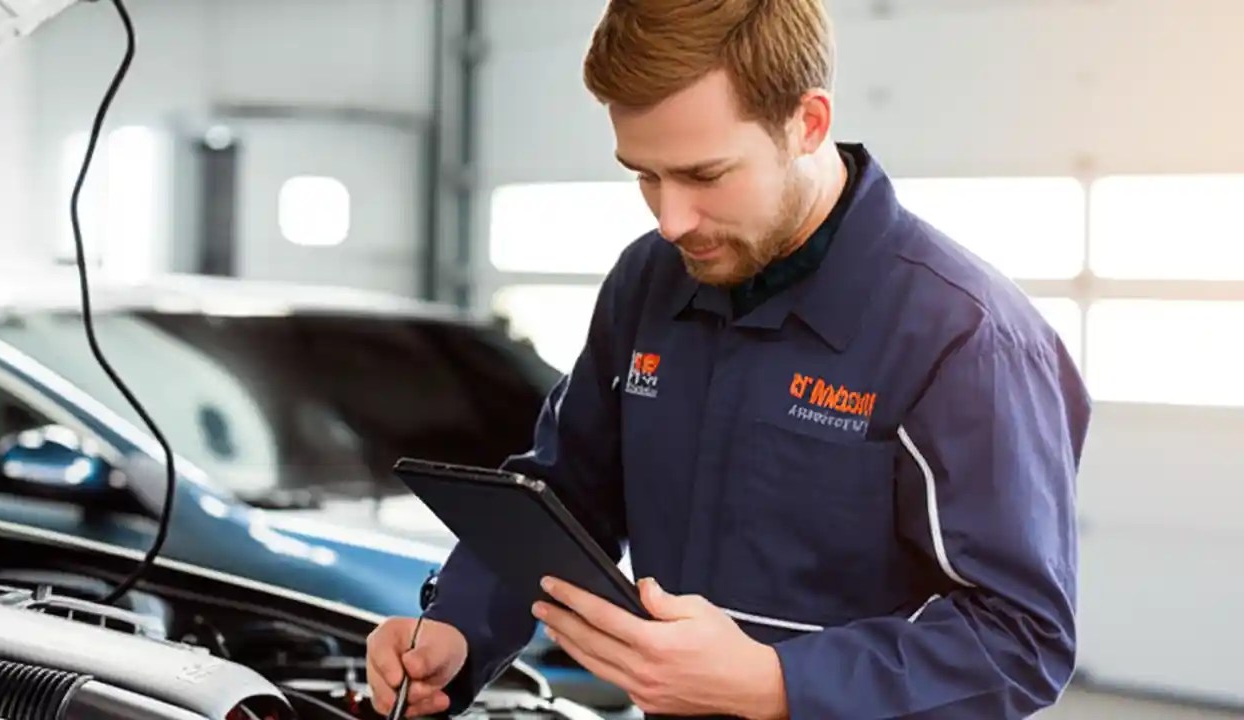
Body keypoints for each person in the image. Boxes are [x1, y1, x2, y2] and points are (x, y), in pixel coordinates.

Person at [366, 0, 1092, 718]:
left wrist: (772, 681)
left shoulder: (965, 336)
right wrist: (457, 632)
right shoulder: (649, 281)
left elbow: (1021, 640)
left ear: (807, 124)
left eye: (705, 175)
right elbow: (563, 500)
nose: (671, 219)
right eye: (645, 175)